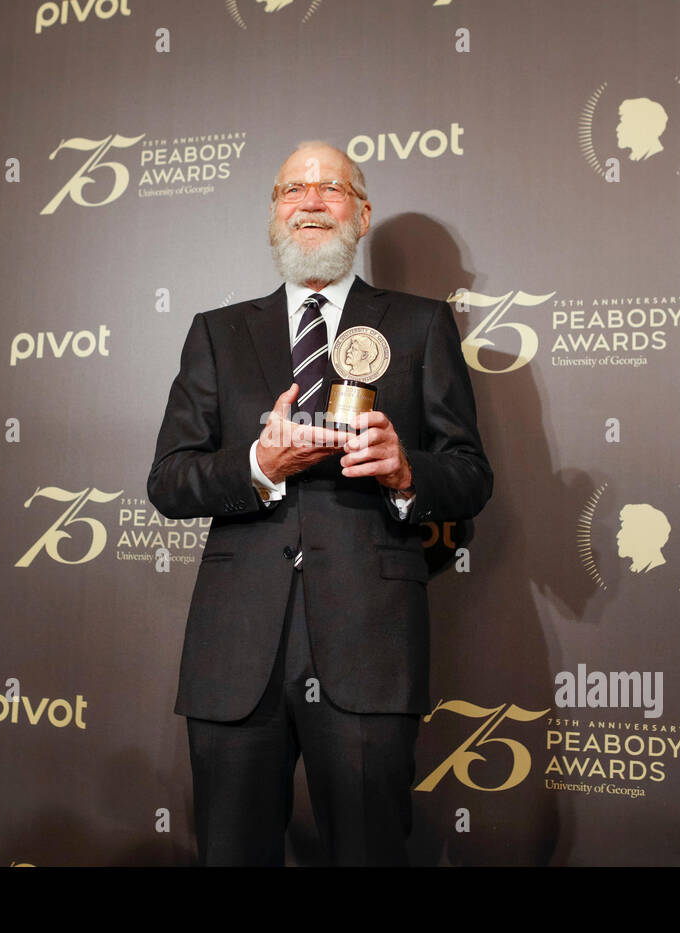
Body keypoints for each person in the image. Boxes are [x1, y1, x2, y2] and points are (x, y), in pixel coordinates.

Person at [147, 140, 492, 865]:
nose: (309, 201)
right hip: (235, 654)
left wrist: (404, 472)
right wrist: (256, 466)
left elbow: (469, 475)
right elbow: (170, 480)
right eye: (291, 191)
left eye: (330, 188)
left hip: (370, 646)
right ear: (273, 216)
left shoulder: (421, 325)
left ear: (360, 214)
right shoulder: (217, 332)